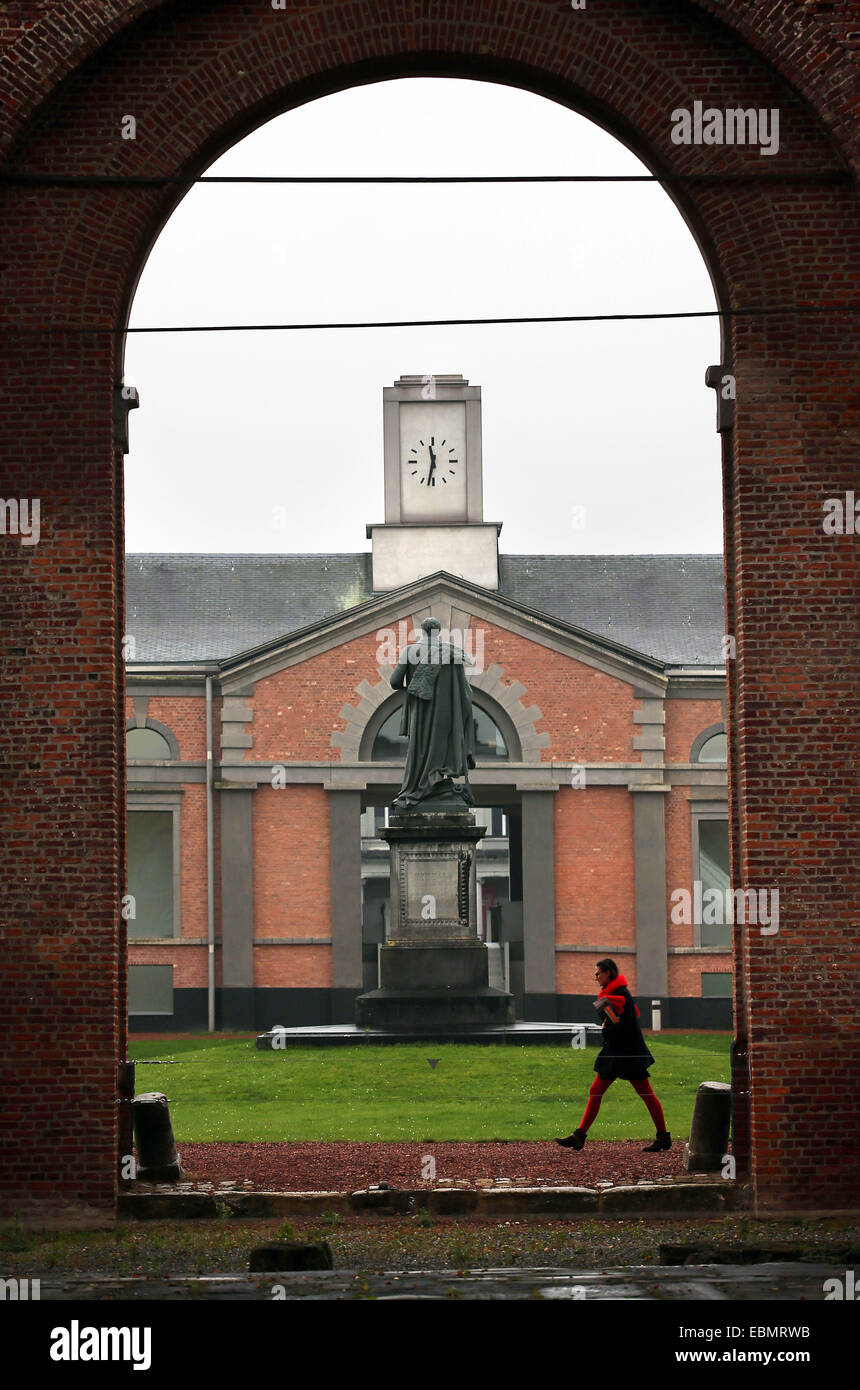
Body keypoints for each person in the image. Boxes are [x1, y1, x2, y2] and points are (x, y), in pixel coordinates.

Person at [555, 958, 671, 1152]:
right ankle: (579, 1135)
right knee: (596, 1090)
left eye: (598, 973)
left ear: (608, 973)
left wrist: (606, 1030)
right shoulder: (615, 994)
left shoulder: (620, 995)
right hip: (618, 1052)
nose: (596, 977)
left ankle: (663, 1137)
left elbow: (625, 1026)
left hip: (627, 1054)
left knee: (646, 1094)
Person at [389, 617, 476, 811]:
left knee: (418, 748)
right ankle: (436, 780)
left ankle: (416, 787)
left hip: (420, 710)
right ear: (438, 632)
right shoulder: (451, 653)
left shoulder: (410, 651)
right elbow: (464, 691)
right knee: (440, 747)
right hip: (445, 713)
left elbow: (394, 682)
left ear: (423, 631)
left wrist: (411, 686)